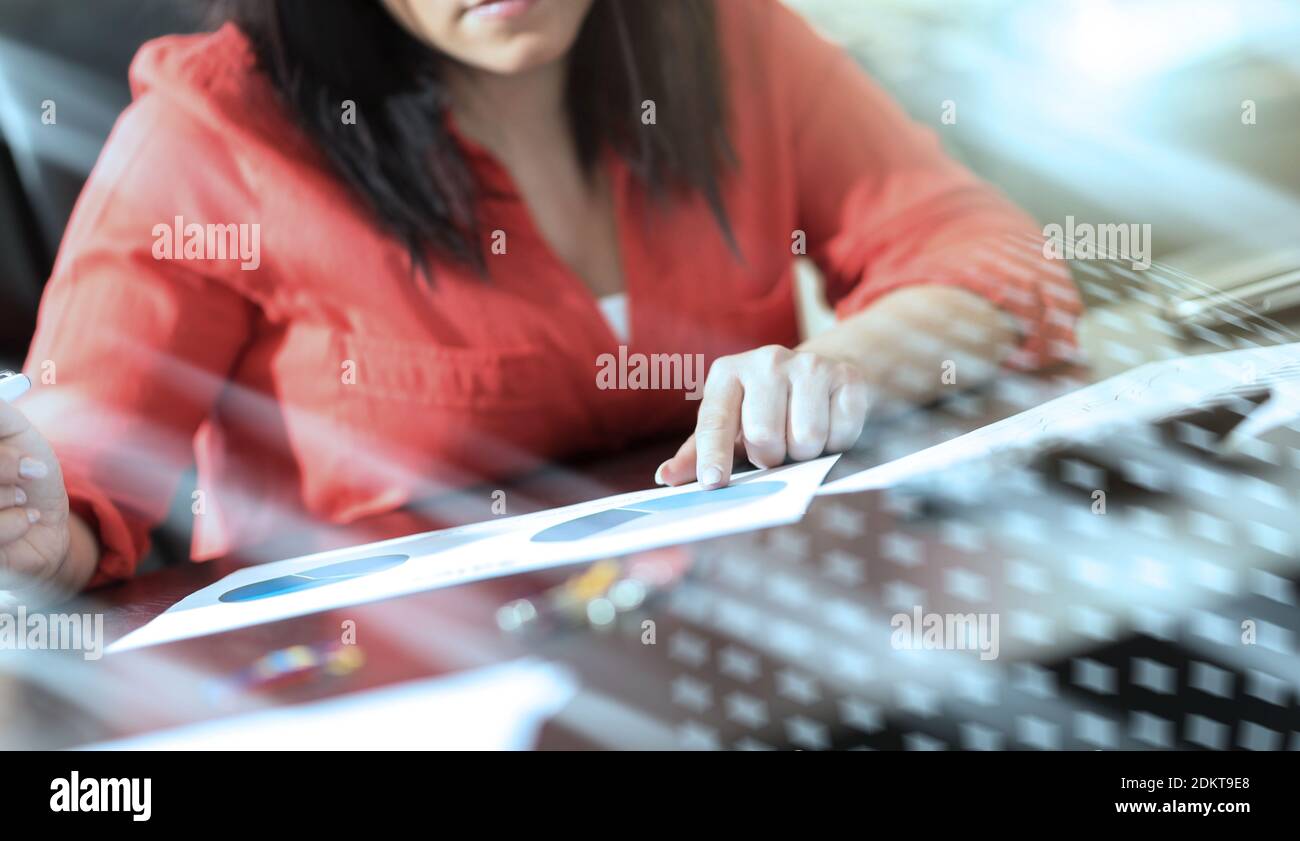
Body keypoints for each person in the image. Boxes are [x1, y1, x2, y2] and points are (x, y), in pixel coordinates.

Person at [0, 0, 1078, 602]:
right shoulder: (210, 139)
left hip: (740, 630)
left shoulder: (721, 37)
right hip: (381, 687)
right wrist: (37, 526)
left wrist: (841, 368)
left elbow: (986, 259)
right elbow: (79, 484)